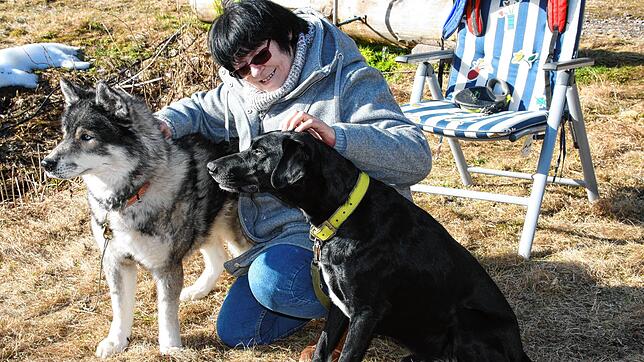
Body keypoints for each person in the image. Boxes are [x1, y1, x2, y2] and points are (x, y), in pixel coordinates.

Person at [155, 0, 432, 356]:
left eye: (260, 56)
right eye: (241, 69)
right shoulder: (243, 93)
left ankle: (365, 307)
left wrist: (337, 137)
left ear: (285, 34)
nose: (255, 73)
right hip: (286, 237)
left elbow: (415, 156)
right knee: (238, 330)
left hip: (355, 233)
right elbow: (199, 108)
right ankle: (343, 307)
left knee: (273, 280)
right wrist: (163, 122)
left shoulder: (345, 77)